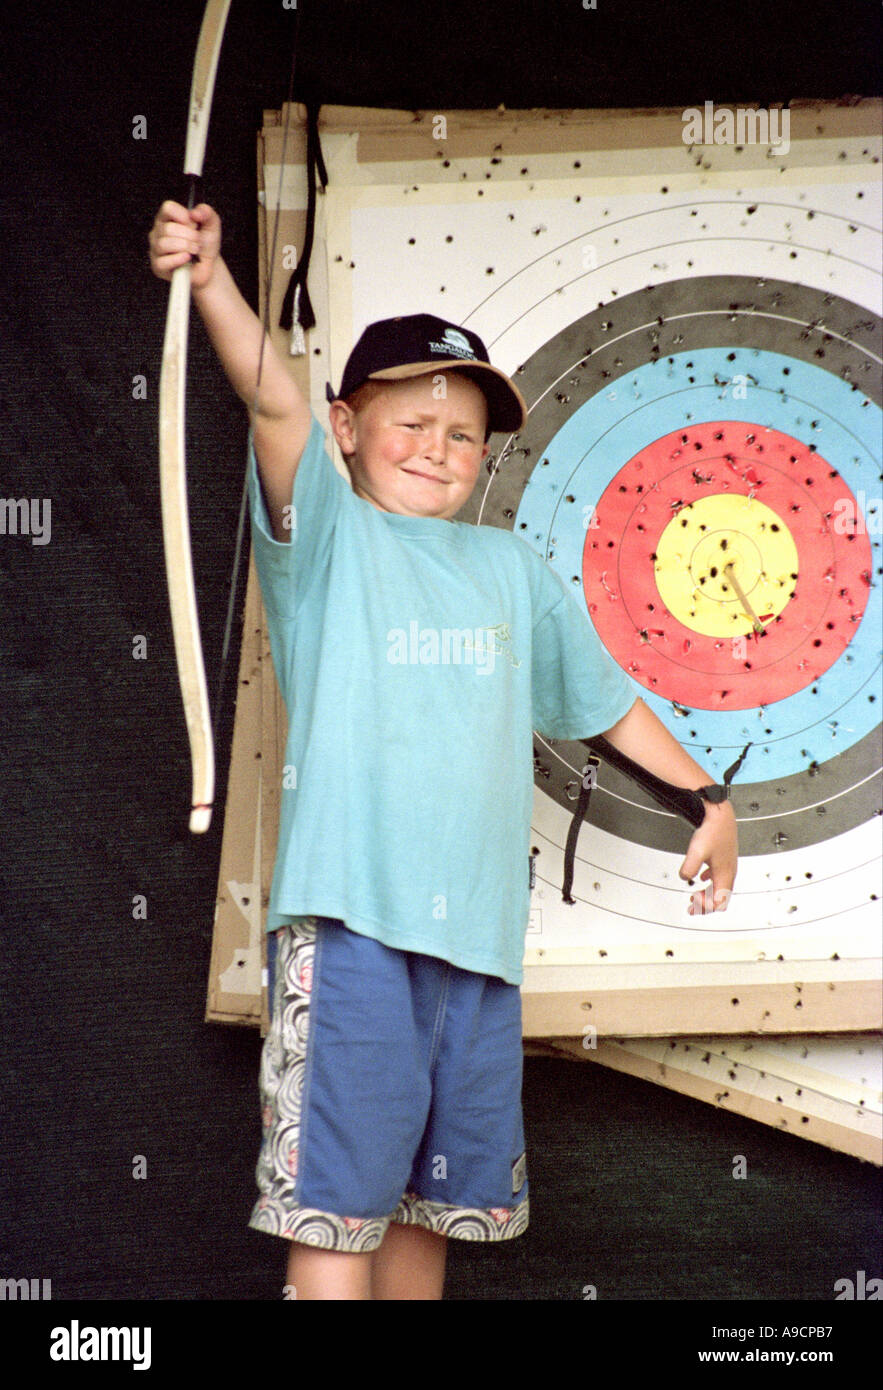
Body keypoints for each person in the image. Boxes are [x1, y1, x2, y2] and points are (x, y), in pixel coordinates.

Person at [149, 200, 739, 1301]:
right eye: (408, 422)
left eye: (461, 431)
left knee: (426, 1217)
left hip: (476, 949)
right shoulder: (325, 534)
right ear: (347, 428)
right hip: (354, 928)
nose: (436, 447)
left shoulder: (510, 570)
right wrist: (216, 277)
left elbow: (606, 703)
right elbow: (269, 396)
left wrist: (708, 797)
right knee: (339, 1214)